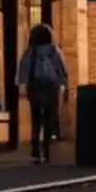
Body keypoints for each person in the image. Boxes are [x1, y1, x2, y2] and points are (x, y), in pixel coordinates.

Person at [17, 23, 69, 164]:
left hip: (35, 85)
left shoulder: (31, 51)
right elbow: (61, 67)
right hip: (51, 86)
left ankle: (35, 140)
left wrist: (22, 84)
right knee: (49, 116)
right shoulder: (53, 50)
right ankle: (46, 147)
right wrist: (64, 82)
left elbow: (24, 68)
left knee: (36, 116)